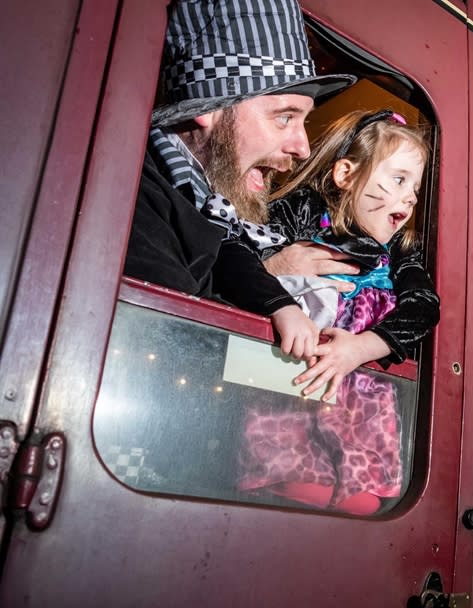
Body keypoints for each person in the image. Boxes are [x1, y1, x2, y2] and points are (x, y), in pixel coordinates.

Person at [123, 0, 359, 361]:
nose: (304, 149)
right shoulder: (130, 197)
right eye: (284, 118)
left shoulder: (211, 200)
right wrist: (269, 278)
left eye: (304, 121)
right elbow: (177, 348)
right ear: (210, 107)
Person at [235, 109, 439, 515]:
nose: (410, 198)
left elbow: (424, 307)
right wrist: (276, 272)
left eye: (415, 189)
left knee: (360, 505)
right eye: (399, 179)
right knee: (296, 487)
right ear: (346, 174)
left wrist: (362, 348)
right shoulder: (305, 212)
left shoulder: (400, 252)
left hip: (359, 407)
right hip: (294, 388)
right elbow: (237, 251)